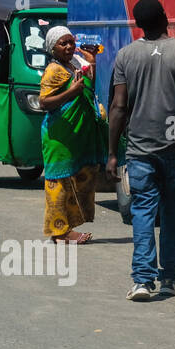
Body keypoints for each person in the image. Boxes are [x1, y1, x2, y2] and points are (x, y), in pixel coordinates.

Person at [107, 0, 175, 302]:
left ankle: (142, 280)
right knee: (172, 213)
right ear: (166, 18)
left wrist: (113, 153)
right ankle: (170, 278)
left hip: (140, 148)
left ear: (139, 25)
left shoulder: (125, 56)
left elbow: (118, 106)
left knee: (143, 212)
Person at [39, 27, 105, 244]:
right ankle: (60, 232)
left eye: (70, 42)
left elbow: (86, 90)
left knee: (77, 180)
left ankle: (67, 227)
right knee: (58, 184)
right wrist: (70, 92)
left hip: (76, 135)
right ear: (52, 48)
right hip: (59, 136)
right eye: (62, 43)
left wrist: (92, 61)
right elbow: (44, 103)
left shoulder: (74, 64)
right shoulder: (53, 71)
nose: (68, 47)